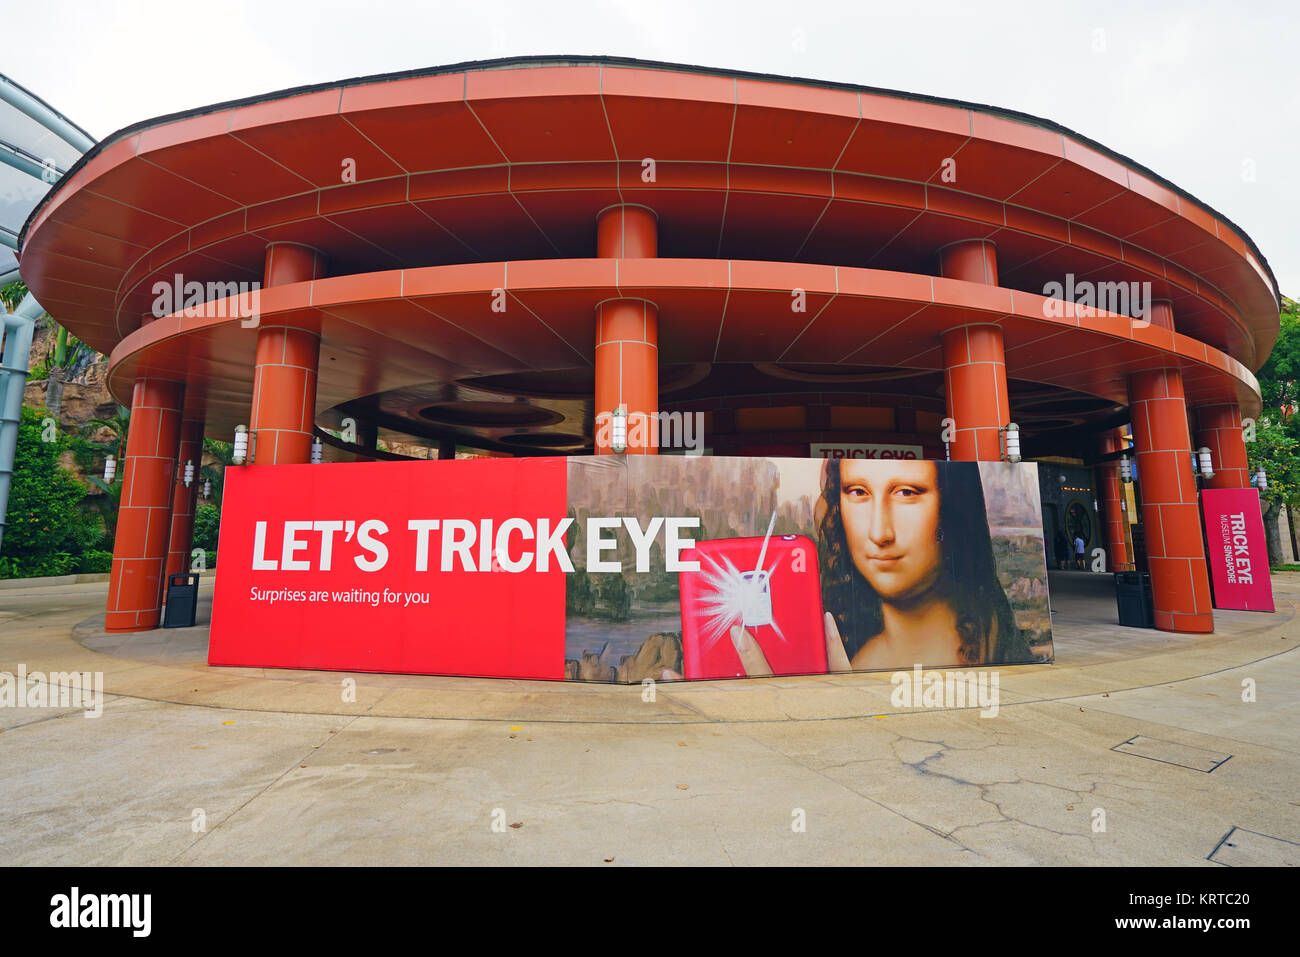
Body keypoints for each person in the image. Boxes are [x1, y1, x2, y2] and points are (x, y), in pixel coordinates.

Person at [726, 458, 1036, 675]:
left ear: (952, 506)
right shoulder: (851, 659)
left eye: (906, 493)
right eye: (858, 492)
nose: (879, 533)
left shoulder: (995, 644)